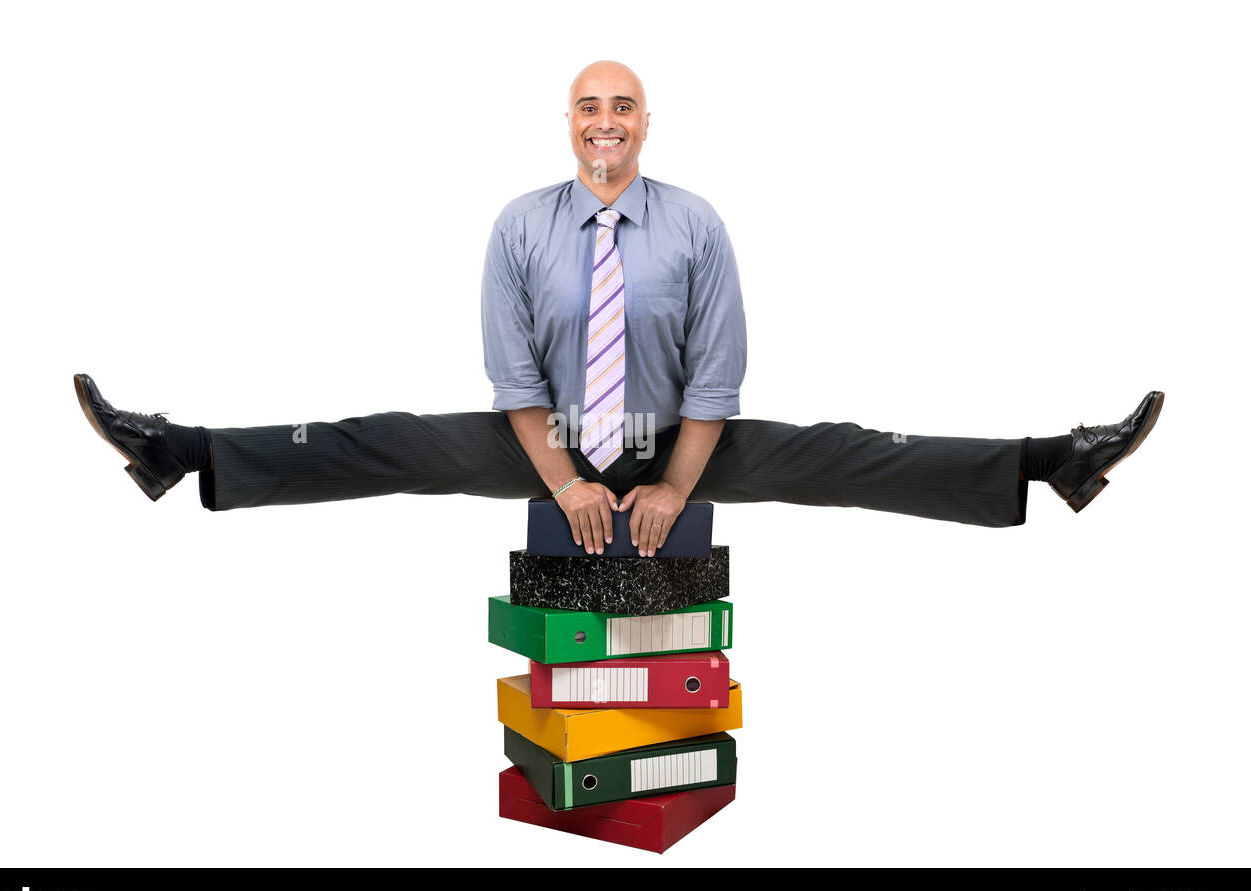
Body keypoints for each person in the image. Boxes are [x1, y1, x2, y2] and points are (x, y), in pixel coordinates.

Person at [73, 60, 1164, 557]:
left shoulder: (693, 223)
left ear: (646, 125)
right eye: (589, 107)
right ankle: (179, 452)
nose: (606, 123)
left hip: (674, 440)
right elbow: (512, 381)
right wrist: (567, 483)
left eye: (623, 108)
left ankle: (1049, 462)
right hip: (548, 443)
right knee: (382, 441)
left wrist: (671, 486)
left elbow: (717, 377)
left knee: (845, 452)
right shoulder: (519, 224)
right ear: (568, 123)